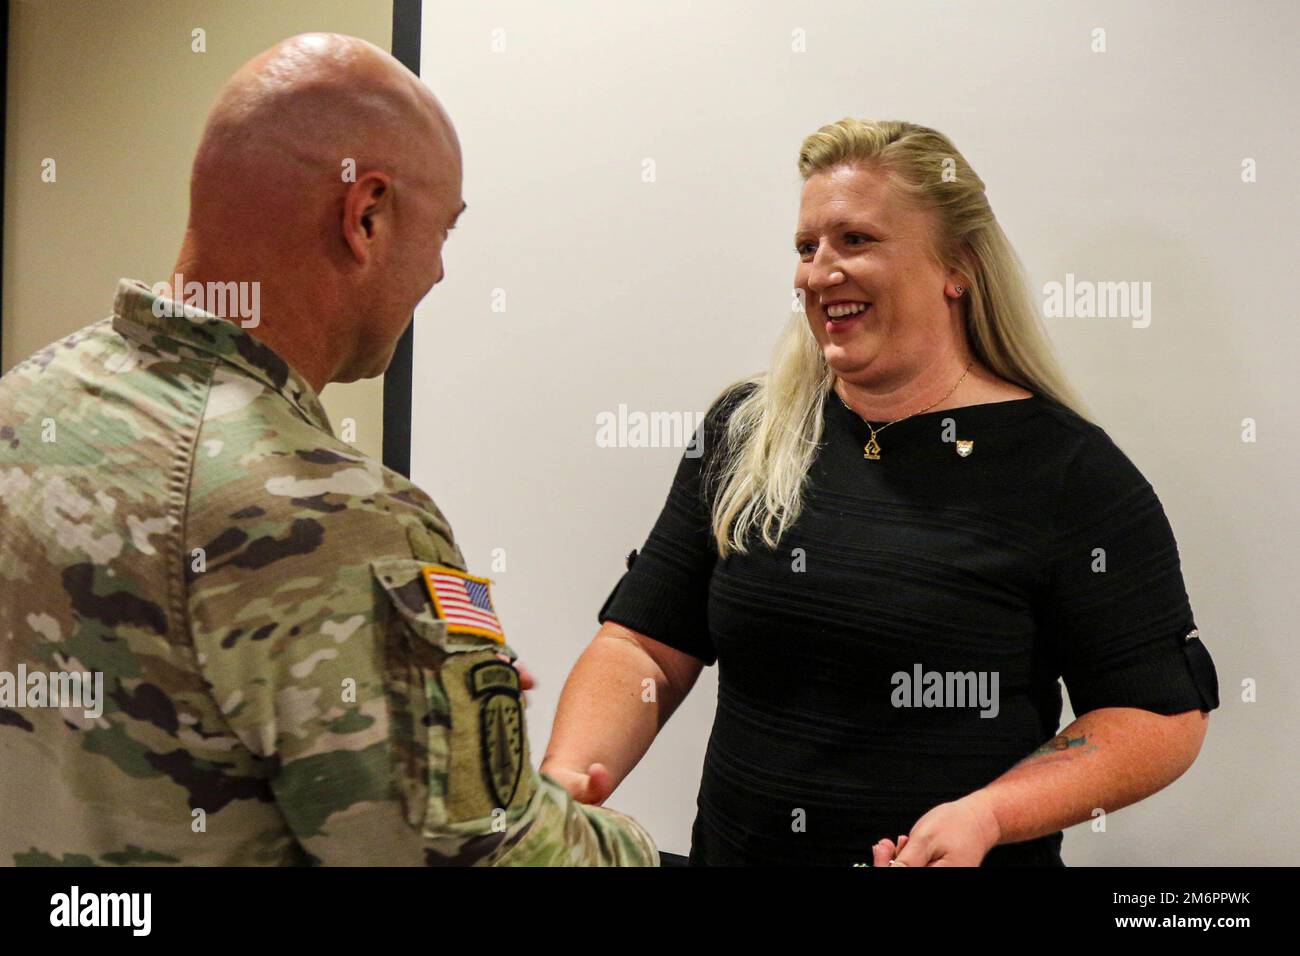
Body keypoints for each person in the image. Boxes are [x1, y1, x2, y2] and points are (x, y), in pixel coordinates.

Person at [0, 33, 655, 866]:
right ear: (367, 216)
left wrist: (420, 711)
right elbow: (485, 857)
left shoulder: (26, 400)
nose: (441, 274)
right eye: (443, 232)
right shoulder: (329, 521)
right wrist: (582, 826)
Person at [541, 118, 1219, 867]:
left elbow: (1157, 714)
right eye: (807, 248)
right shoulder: (747, 431)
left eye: (854, 241)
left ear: (955, 266)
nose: (819, 272)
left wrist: (990, 815)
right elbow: (644, 646)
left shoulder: (1069, 472)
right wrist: (571, 776)